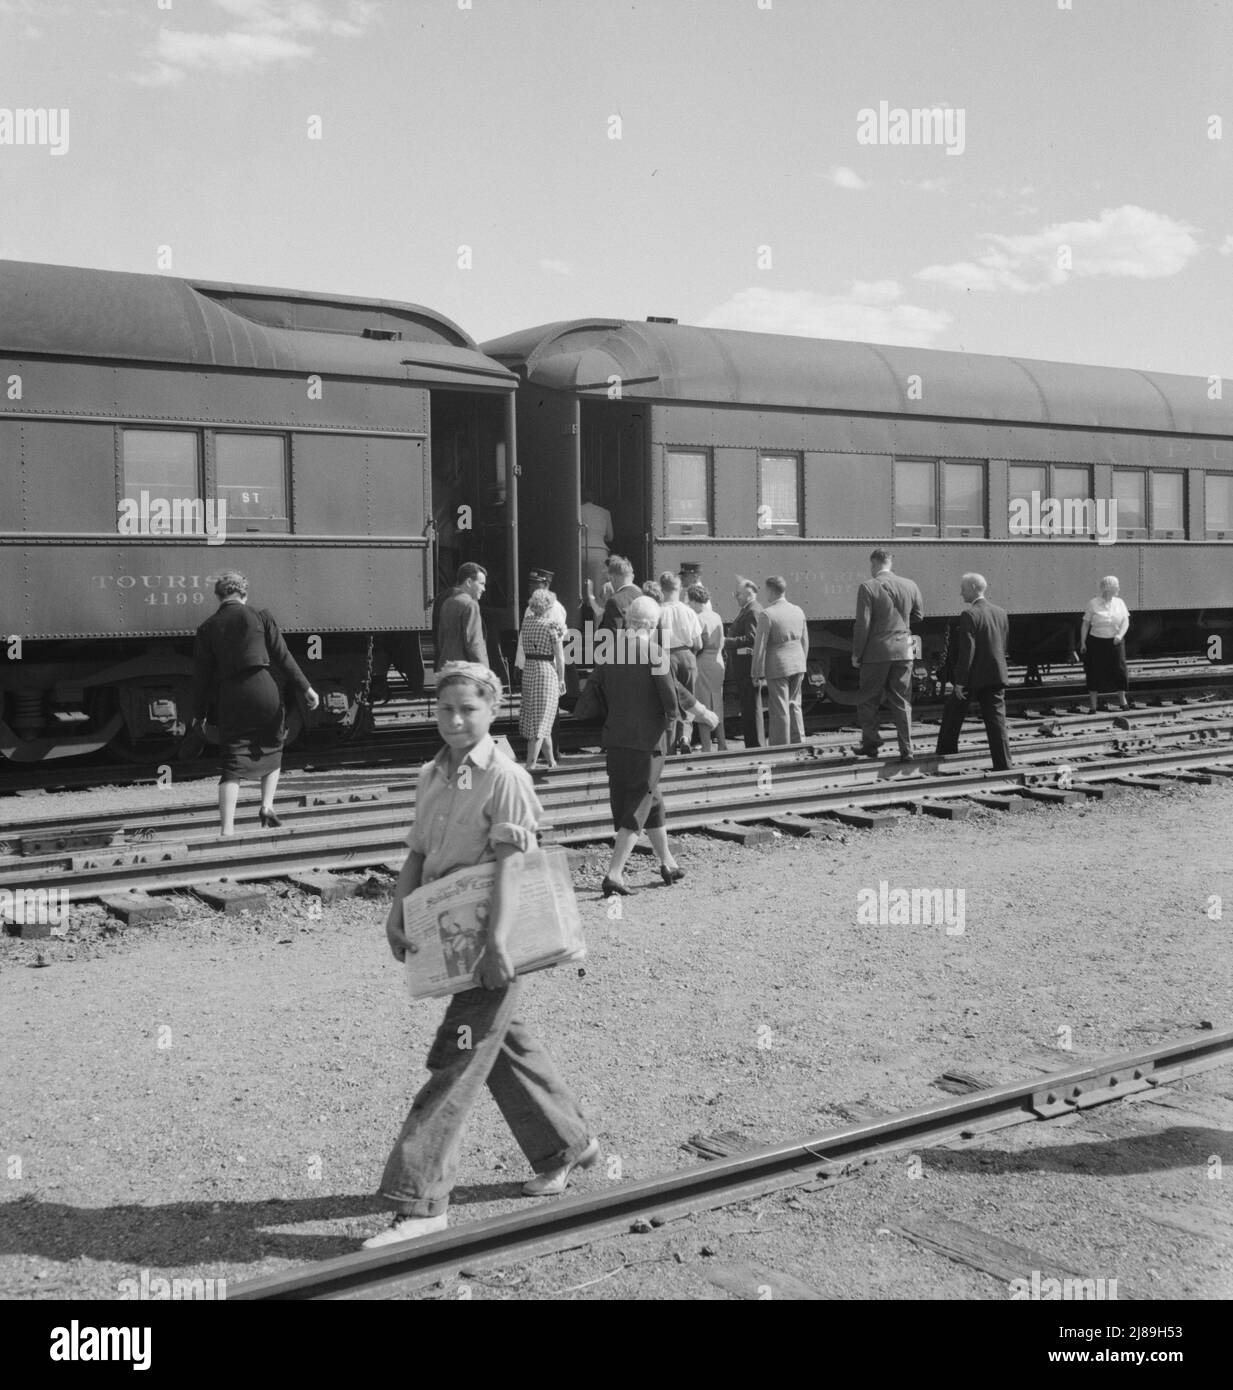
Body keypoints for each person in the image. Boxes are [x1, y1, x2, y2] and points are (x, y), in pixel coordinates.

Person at [367, 661, 597, 1248]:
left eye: (468, 708)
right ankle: (568, 1144)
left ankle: (422, 1202)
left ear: (493, 710)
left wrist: (497, 944)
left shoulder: (506, 777)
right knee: (501, 1044)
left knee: (458, 1058)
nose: (455, 719)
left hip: (497, 934)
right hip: (449, 932)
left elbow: (514, 863)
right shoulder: (432, 773)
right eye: (444, 708)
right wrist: (397, 911)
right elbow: (418, 853)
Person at [587, 598, 720, 896]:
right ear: (653, 624)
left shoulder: (610, 652)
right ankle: (614, 874)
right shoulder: (654, 653)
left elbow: (594, 692)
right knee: (637, 805)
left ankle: (668, 863)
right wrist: (701, 714)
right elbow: (673, 695)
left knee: (652, 801)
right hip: (647, 744)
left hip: (617, 741)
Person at [191, 571, 320, 835]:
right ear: (244, 593)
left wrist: (198, 713)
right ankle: (266, 805)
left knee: (232, 760)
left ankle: (227, 830)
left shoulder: (207, 627)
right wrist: (306, 688)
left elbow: (202, 677)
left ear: (219, 596)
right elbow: (284, 657)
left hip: (231, 693)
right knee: (273, 746)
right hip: (264, 689)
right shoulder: (261, 616)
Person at [851, 547, 924, 762]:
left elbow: (862, 625)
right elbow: (919, 615)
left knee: (868, 699)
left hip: (876, 653)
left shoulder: (868, 587)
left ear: (874, 564)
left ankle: (871, 744)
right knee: (902, 701)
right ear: (890, 563)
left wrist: (857, 653)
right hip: (904, 650)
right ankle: (907, 749)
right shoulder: (910, 585)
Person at [935, 573, 1013, 771]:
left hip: (972, 677)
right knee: (996, 722)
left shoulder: (969, 615)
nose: (960, 593)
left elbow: (967, 652)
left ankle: (946, 753)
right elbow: (1002, 645)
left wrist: (960, 682)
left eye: (963, 588)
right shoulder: (1001, 612)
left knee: (952, 711)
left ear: (972, 588)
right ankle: (1003, 764)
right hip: (996, 674)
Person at [752, 575, 809, 746]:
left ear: (770, 590)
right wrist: (803, 663)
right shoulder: (798, 610)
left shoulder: (767, 614)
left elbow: (760, 646)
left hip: (778, 666)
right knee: (795, 704)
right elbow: (805, 640)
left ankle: (780, 747)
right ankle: (800, 742)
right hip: (798, 663)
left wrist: (756, 672)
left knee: (779, 708)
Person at [518, 587, 566, 770]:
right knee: (542, 720)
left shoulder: (527, 623)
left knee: (540, 716)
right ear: (547, 606)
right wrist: (561, 679)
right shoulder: (551, 626)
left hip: (529, 671)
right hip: (546, 672)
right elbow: (560, 657)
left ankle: (551, 761)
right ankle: (531, 764)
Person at [658, 571, 703, 754]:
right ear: (678, 588)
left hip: (665, 657)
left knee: (669, 701)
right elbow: (698, 643)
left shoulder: (657, 611)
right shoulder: (689, 611)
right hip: (687, 656)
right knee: (689, 699)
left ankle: (669, 747)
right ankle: (685, 736)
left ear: (661, 589)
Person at [1080, 576, 1130, 713]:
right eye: (1116, 586)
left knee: (1119, 670)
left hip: (1115, 641)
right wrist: (1083, 642)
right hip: (1096, 641)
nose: (1119, 589)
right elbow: (1086, 623)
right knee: (1094, 671)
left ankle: (1123, 702)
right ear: (1109, 589)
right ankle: (1093, 706)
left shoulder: (1120, 603)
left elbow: (1125, 621)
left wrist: (1120, 636)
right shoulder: (1093, 603)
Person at [725, 577, 765, 748]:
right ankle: (752, 744)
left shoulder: (753, 611)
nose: (736, 597)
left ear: (749, 594)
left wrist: (728, 642)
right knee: (748, 706)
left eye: (738, 594)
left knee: (752, 706)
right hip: (743, 665)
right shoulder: (747, 609)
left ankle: (756, 745)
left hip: (748, 666)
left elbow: (752, 638)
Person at [688, 583, 728, 752]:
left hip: (703, 662)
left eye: (690, 601)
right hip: (717, 662)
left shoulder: (698, 618)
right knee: (716, 702)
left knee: (703, 704)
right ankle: (722, 743)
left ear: (695, 601)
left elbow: (697, 644)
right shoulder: (716, 616)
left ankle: (706, 746)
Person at [435, 562, 488, 669]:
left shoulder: (448, 602)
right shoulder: (470, 605)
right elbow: (474, 645)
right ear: (469, 582)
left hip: (447, 668)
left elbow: (440, 639)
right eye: (481, 584)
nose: (484, 589)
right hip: (465, 671)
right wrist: (485, 671)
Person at [589, 554, 641, 632]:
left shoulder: (614, 601)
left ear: (612, 578)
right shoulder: (643, 596)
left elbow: (611, 635)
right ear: (632, 576)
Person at [580, 490, 614, 596]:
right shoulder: (605, 512)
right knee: (598, 589)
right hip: (599, 553)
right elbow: (610, 537)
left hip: (581, 551)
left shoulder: (578, 510)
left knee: (580, 588)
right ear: (593, 499)